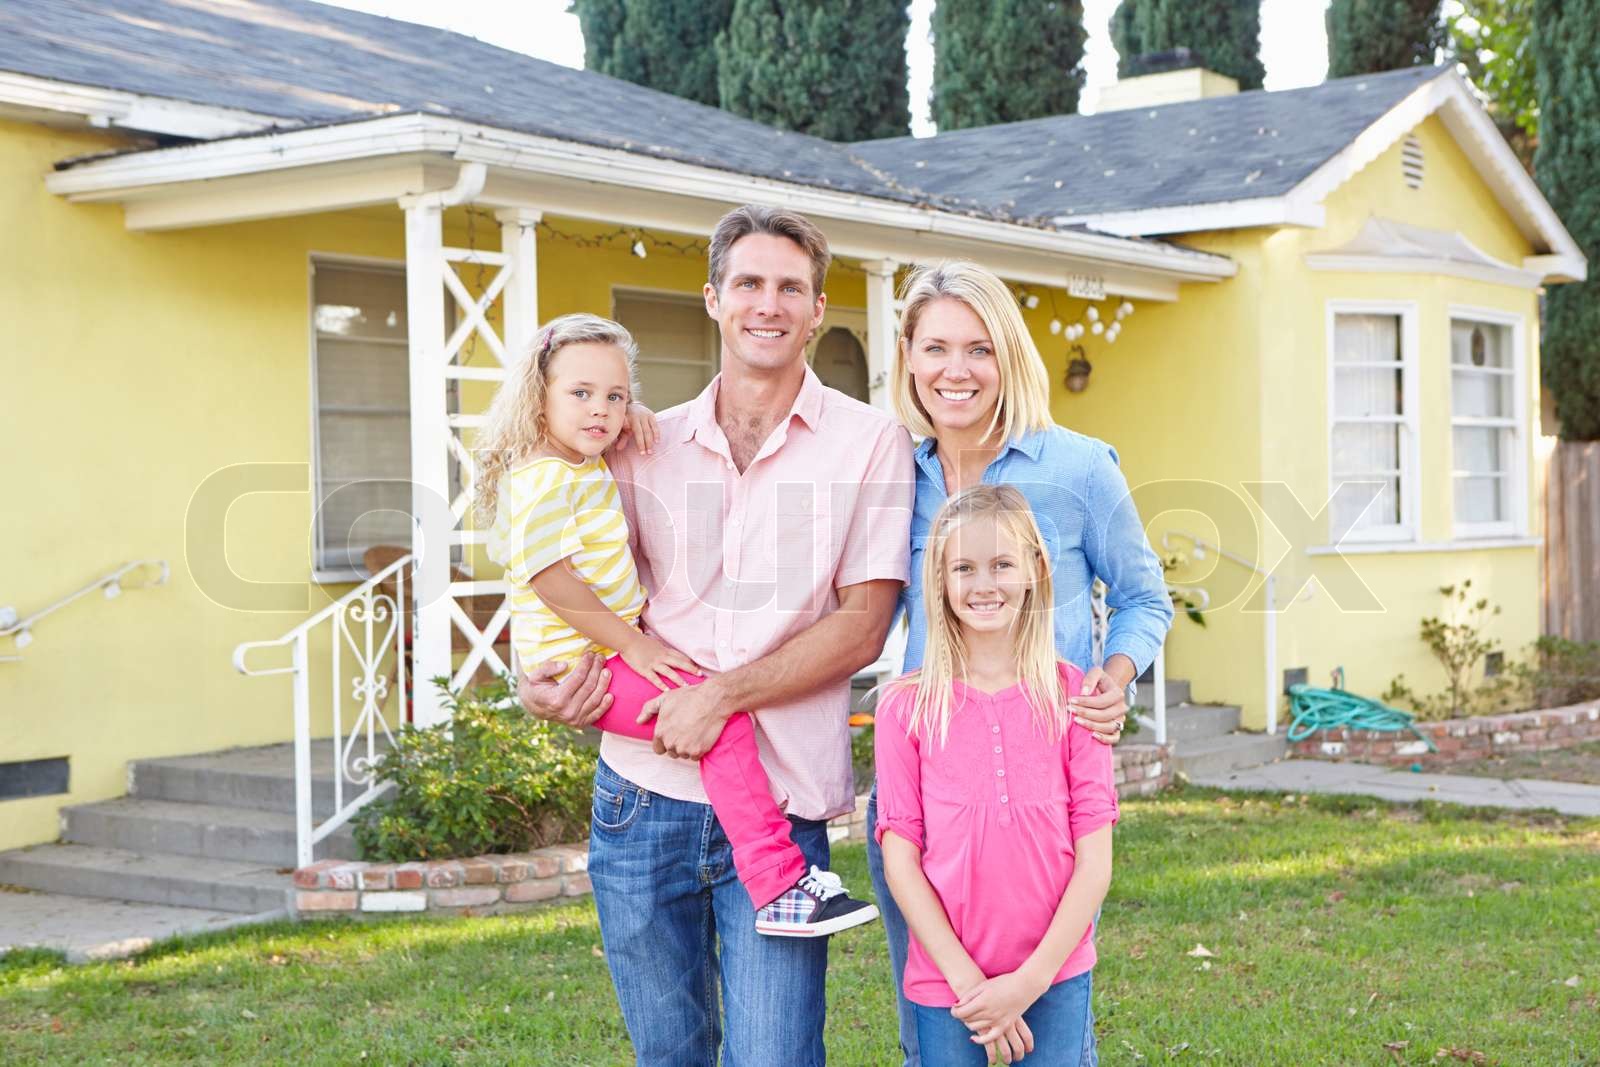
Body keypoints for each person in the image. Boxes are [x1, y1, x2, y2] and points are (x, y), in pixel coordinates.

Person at [517, 206, 914, 1066]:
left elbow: (864, 622)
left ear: (816, 309)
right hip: (640, 797)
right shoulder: (635, 440)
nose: (767, 304)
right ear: (712, 298)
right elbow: (572, 580)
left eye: (790, 287)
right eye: (748, 283)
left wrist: (722, 696)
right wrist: (538, 684)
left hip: (780, 804)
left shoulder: (871, 440)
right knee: (670, 1057)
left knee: (776, 1057)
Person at [477, 311, 877, 938]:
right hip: (588, 662)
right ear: (539, 398)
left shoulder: (581, 463)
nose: (599, 410)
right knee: (721, 722)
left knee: (716, 712)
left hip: (606, 649)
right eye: (580, 394)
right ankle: (778, 885)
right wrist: (634, 646)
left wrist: (627, 423)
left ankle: (776, 879)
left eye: (614, 396)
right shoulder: (542, 478)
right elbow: (550, 579)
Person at [867, 261, 1173, 1065]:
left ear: (1009, 356)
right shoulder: (894, 475)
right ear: (908, 358)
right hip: (931, 808)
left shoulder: (1077, 468)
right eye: (934, 347)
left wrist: (1113, 677)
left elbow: (1146, 598)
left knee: (1055, 1025)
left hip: (1045, 804)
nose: (955, 370)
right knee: (935, 1034)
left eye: (979, 348)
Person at [876, 485, 1116, 1066]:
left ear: (1034, 570)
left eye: (1002, 564)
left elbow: (1096, 860)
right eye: (964, 567)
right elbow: (901, 860)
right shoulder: (905, 708)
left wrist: (1028, 982)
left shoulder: (1075, 697)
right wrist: (968, 984)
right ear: (940, 581)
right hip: (948, 984)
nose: (984, 584)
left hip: (1053, 974)